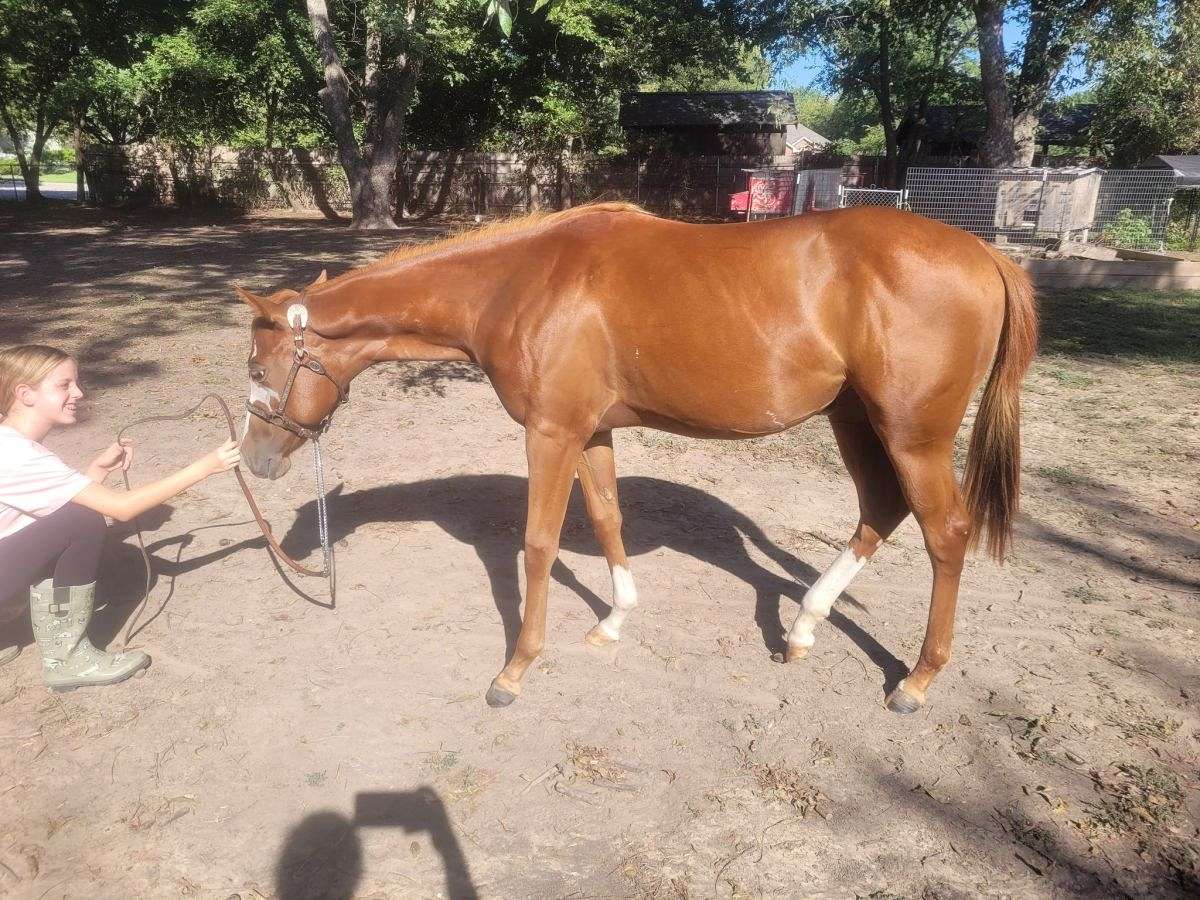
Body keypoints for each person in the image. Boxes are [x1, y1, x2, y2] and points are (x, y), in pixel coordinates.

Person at [0, 345, 240, 691]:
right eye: (64, 385)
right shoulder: (18, 454)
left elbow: (53, 507)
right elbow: (120, 509)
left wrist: (96, 469)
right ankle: (68, 659)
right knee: (83, 523)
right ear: (25, 394)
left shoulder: (11, 444)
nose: (78, 393)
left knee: (74, 518)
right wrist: (206, 466)